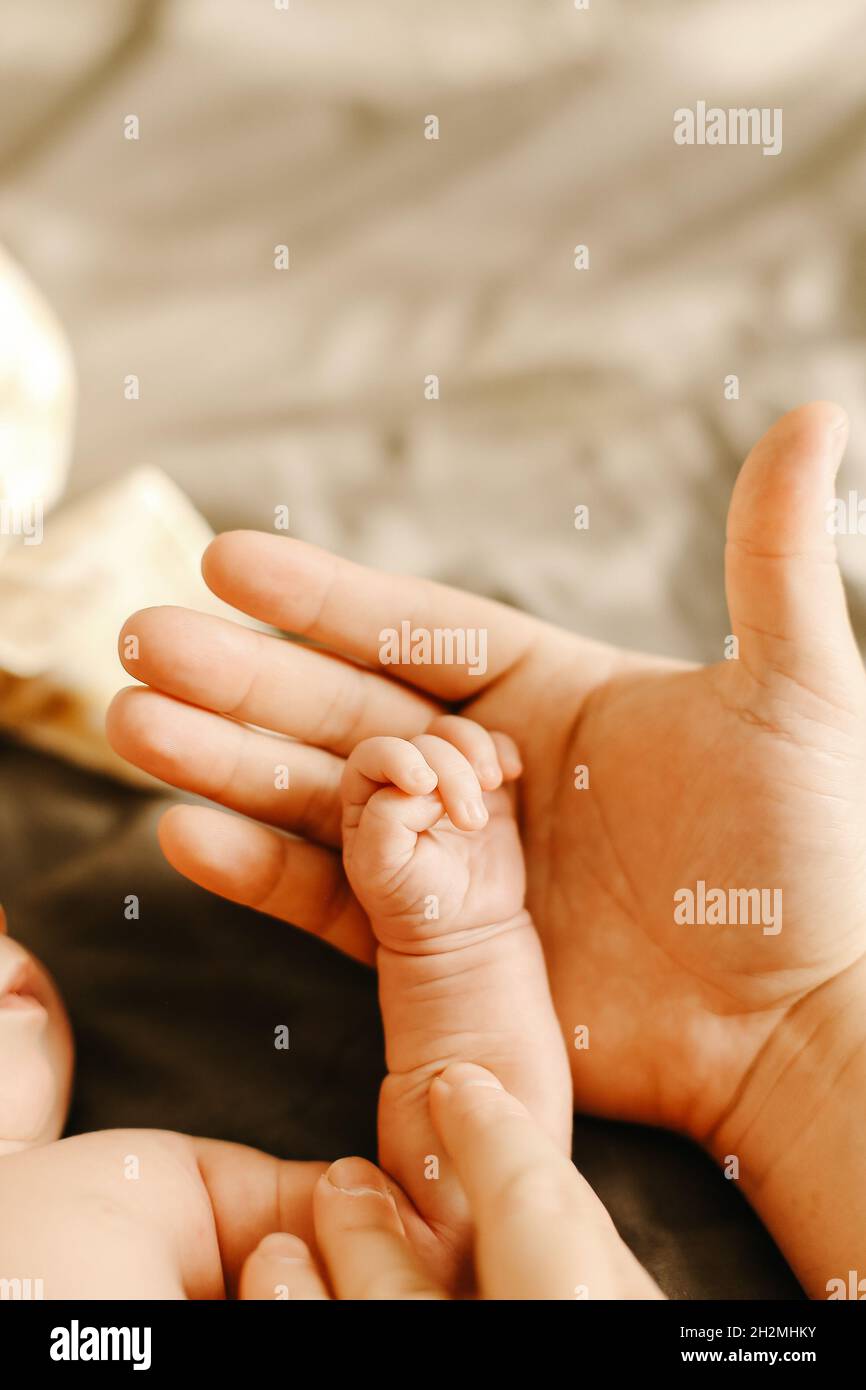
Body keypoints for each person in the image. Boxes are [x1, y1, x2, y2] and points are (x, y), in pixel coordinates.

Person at [108, 401, 866, 1299]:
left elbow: (461, 1199)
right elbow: (471, 1208)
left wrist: (460, 944)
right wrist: (802, 1026)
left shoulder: (139, 1199)